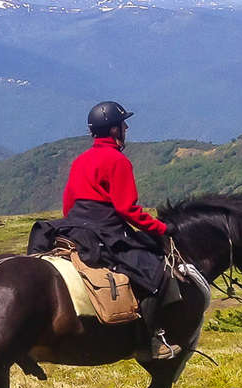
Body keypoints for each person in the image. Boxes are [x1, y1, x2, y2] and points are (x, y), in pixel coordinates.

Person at [37, 100, 182, 359]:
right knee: (154, 271)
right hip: (106, 229)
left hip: (72, 228)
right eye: (123, 123)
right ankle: (151, 339)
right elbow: (127, 209)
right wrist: (160, 228)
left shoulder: (80, 160)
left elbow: (68, 204)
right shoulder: (118, 161)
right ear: (115, 130)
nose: (126, 126)